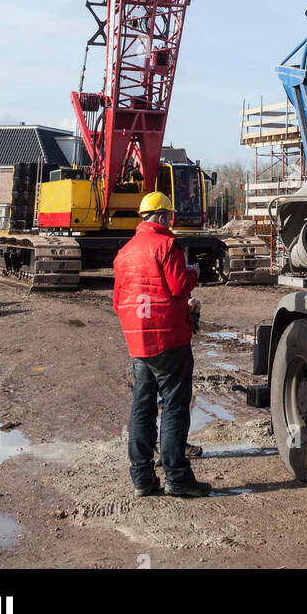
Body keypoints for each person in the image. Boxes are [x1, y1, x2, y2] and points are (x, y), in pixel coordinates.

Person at [112, 190, 211, 498]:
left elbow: (118, 301)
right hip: (169, 338)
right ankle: (177, 476)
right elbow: (178, 286)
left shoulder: (124, 251)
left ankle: (141, 477)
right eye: (170, 217)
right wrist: (193, 273)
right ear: (164, 217)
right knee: (174, 407)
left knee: (142, 406)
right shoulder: (167, 244)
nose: (171, 222)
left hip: (138, 341)